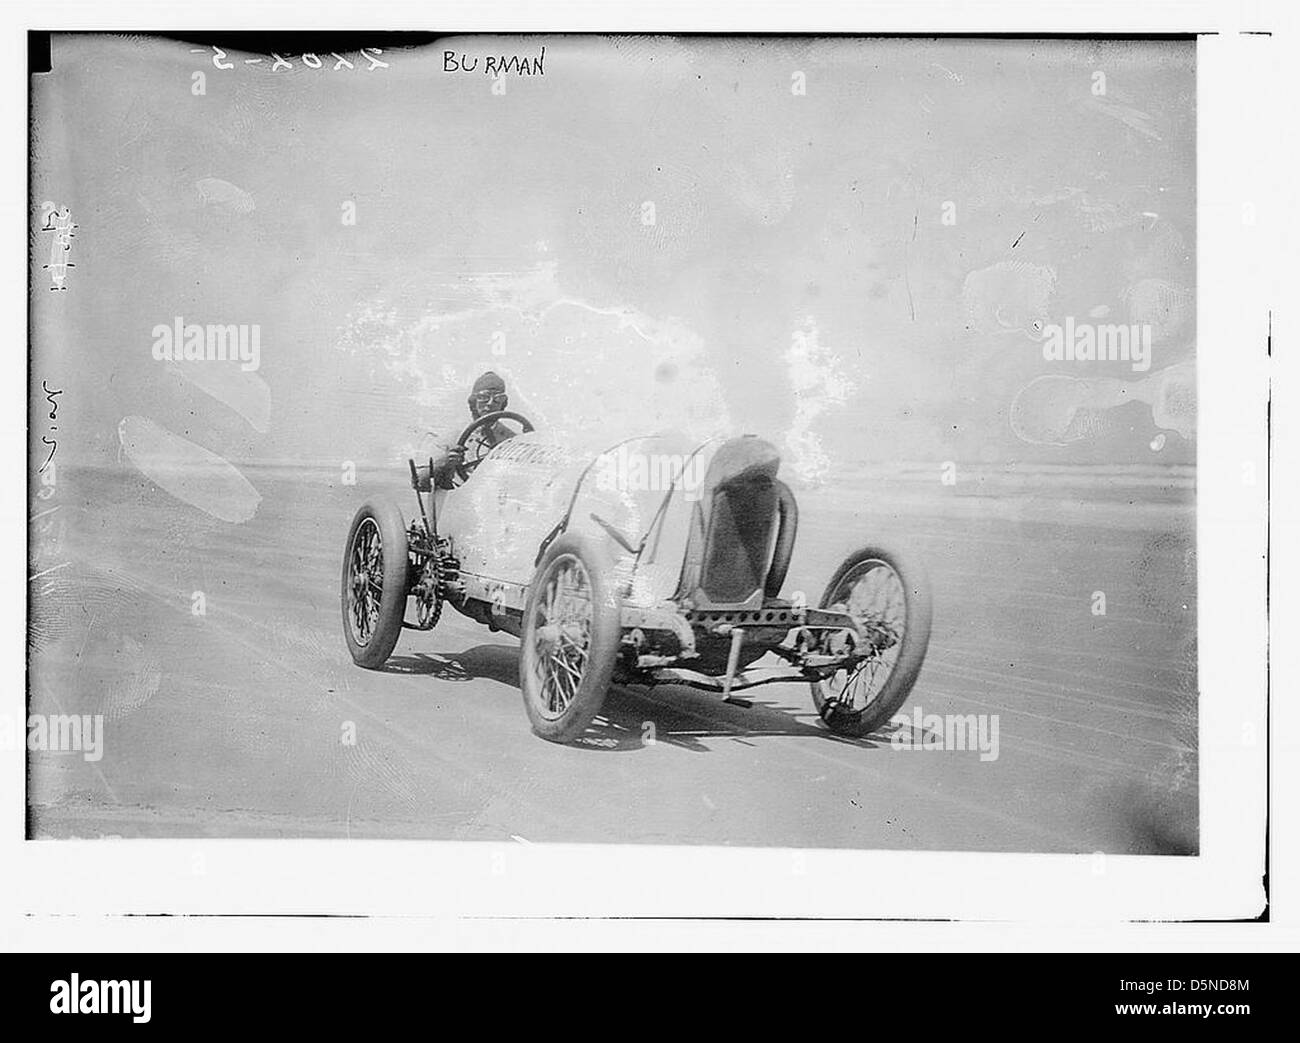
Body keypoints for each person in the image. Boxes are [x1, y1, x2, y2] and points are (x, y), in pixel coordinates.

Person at [426, 371, 517, 490]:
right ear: (473, 402)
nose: (490, 404)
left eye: (498, 398)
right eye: (483, 397)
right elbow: (420, 481)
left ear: (503, 403)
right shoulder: (452, 436)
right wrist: (443, 463)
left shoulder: (512, 439)